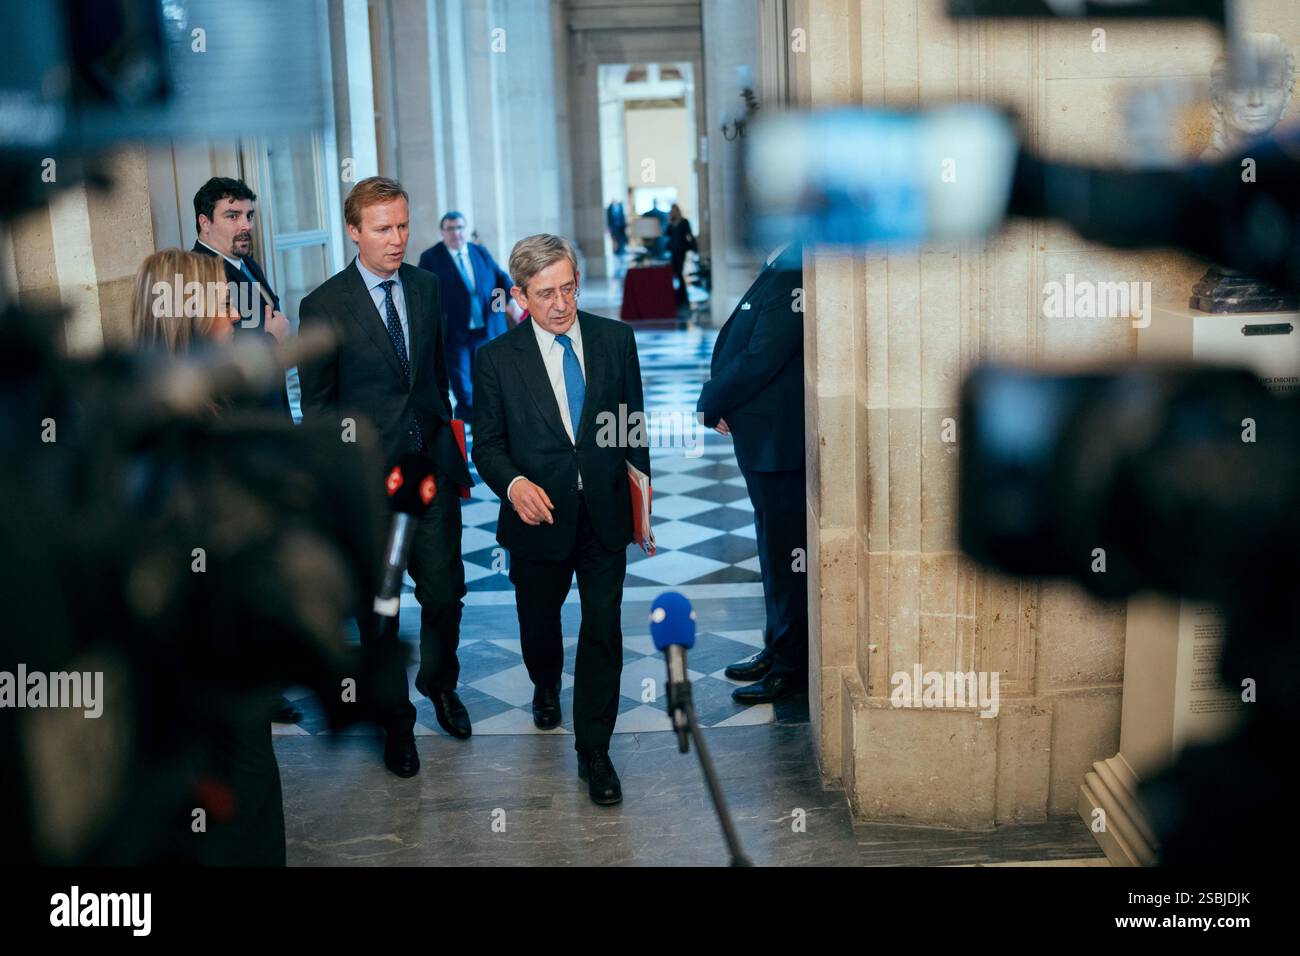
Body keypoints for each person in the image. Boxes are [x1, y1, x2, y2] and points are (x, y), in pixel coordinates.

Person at [297, 177, 474, 777]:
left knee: (446, 594)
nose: (397, 239)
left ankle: (438, 683)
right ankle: (396, 726)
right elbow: (319, 411)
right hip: (371, 490)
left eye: (402, 225)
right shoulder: (323, 305)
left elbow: (434, 376)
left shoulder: (426, 287)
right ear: (353, 230)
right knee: (383, 610)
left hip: (431, 474)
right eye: (382, 229)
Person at [471, 234, 650, 805]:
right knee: (539, 627)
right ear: (520, 296)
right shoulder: (497, 359)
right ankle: (544, 683)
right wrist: (514, 483)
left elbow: (631, 428)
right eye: (545, 293)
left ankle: (594, 750)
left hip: (603, 516)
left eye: (568, 288)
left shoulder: (615, 340)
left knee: (603, 629)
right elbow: (488, 445)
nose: (560, 304)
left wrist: (641, 505)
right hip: (537, 519)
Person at [129, 248, 286, 866]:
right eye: (222, 301)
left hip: (216, 653)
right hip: (203, 657)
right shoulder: (174, 419)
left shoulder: (199, 396)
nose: (232, 311)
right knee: (240, 794)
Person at [191, 176, 302, 725]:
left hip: (269, 432)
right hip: (237, 443)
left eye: (250, 216)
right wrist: (275, 335)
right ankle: (258, 685)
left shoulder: (247, 269)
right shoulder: (198, 276)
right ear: (204, 223)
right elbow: (220, 360)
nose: (245, 227)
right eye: (233, 215)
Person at [697, 241, 808, 704]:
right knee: (772, 552)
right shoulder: (780, 263)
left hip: (779, 445)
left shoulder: (793, 269)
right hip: (764, 440)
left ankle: (790, 666)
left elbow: (761, 357)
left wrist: (711, 401)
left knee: (785, 558)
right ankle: (776, 645)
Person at [415, 211, 515, 423]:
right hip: (455, 334)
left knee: (484, 380)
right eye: (450, 228)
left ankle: (477, 424)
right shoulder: (430, 258)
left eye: (460, 227)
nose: (456, 233)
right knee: (462, 385)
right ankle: (471, 425)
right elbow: (421, 294)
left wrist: (512, 300)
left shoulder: (479, 251)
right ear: (443, 233)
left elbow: (500, 276)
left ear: (465, 230)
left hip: (484, 330)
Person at [666, 203, 697, 310]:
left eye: (674, 210)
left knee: (679, 272)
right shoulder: (672, 222)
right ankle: (679, 296)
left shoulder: (684, 221)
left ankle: (682, 297)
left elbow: (689, 235)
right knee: (675, 273)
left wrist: (694, 248)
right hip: (673, 250)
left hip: (681, 250)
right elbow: (667, 234)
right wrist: (669, 222)